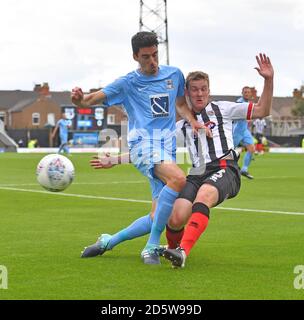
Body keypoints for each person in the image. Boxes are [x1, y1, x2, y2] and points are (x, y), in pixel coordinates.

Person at [71, 31, 206, 265]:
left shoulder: (174, 75)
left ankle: (108, 242)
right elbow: (91, 99)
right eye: (146, 57)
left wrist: (193, 120)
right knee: (178, 179)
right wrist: (79, 100)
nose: (152, 61)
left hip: (167, 151)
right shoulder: (128, 83)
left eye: (155, 55)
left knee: (157, 215)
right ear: (135, 56)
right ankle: (152, 246)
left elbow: (182, 105)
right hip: (142, 144)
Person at [163, 53, 274, 268]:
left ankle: (183, 252)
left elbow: (263, 110)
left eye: (203, 89)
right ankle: (173, 251)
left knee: (203, 196)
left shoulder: (223, 109)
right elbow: (155, 143)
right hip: (196, 172)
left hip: (225, 167)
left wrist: (268, 80)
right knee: (176, 217)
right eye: (194, 89)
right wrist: (118, 157)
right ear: (187, 93)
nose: (199, 93)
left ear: (209, 91)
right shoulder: (182, 126)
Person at [233, 86, 256, 179]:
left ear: (251, 94)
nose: (247, 94)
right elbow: (236, 114)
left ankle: (244, 170)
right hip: (236, 129)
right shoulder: (240, 102)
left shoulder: (249, 103)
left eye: (248, 92)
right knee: (229, 151)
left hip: (244, 130)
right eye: (245, 92)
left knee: (251, 148)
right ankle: (230, 169)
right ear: (242, 93)